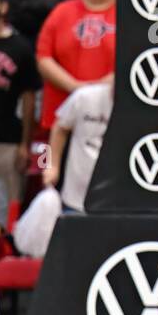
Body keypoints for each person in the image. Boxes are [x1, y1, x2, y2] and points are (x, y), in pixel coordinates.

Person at [35, 0, 116, 132]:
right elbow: (43, 57)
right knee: (47, 161)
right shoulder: (62, 11)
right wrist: (75, 86)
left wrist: (91, 91)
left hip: (103, 117)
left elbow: (130, 61)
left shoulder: (126, 15)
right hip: (58, 113)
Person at [0, 0, 38, 220]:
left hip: (8, 141)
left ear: (3, 6)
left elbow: (30, 98)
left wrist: (25, 144)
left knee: (11, 210)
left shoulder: (20, 48)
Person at [43, 77, 112, 213]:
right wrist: (51, 165)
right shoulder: (85, 97)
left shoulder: (139, 108)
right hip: (75, 197)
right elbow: (59, 127)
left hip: (113, 201)